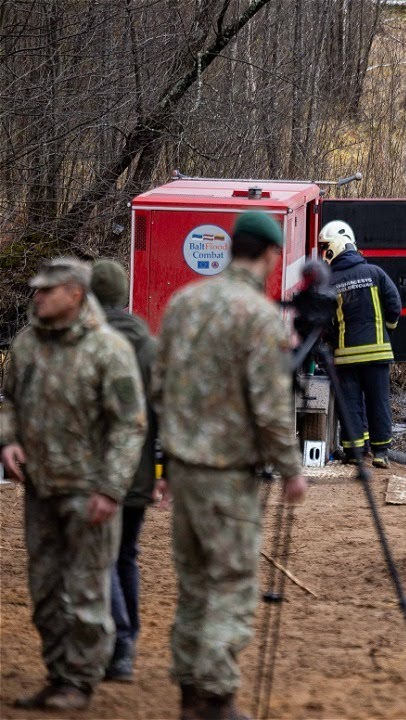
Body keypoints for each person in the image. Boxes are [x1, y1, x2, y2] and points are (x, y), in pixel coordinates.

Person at [153, 210, 307, 720]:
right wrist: (291, 469)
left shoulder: (183, 303)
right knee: (233, 580)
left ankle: (189, 690)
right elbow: (269, 404)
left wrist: (164, 456)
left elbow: (159, 385)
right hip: (226, 471)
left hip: (182, 465)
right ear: (268, 255)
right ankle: (216, 696)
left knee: (194, 580)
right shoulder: (257, 315)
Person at [0, 257, 147, 711]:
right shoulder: (26, 346)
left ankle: (79, 680)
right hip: (41, 489)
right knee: (45, 590)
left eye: (49, 290)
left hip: (89, 491)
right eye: (37, 290)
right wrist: (7, 441)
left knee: (87, 590)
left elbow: (130, 425)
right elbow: (8, 401)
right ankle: (58, 672)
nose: (38, 296)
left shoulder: (109, 350)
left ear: (76, 295)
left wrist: (111, 489)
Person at [90, 258, 161, 682]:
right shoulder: (147, 344)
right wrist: (163, 466)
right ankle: (127, 635)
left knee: (102, 558)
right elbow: (164, 406)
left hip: (102, 467)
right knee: (126, 555)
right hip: (140, 469)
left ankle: (119, 643)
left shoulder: (93, 341)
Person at [318, 220, 402, 468]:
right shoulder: (376, 274)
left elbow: (324, 321)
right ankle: (381, 454)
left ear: (334, 249)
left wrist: (333, 343)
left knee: (351, 404)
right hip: (378, 354)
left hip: (346, 358)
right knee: (378, 402)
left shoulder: (330, 283)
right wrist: (387, 331)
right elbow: (394, 305)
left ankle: (355, 453)